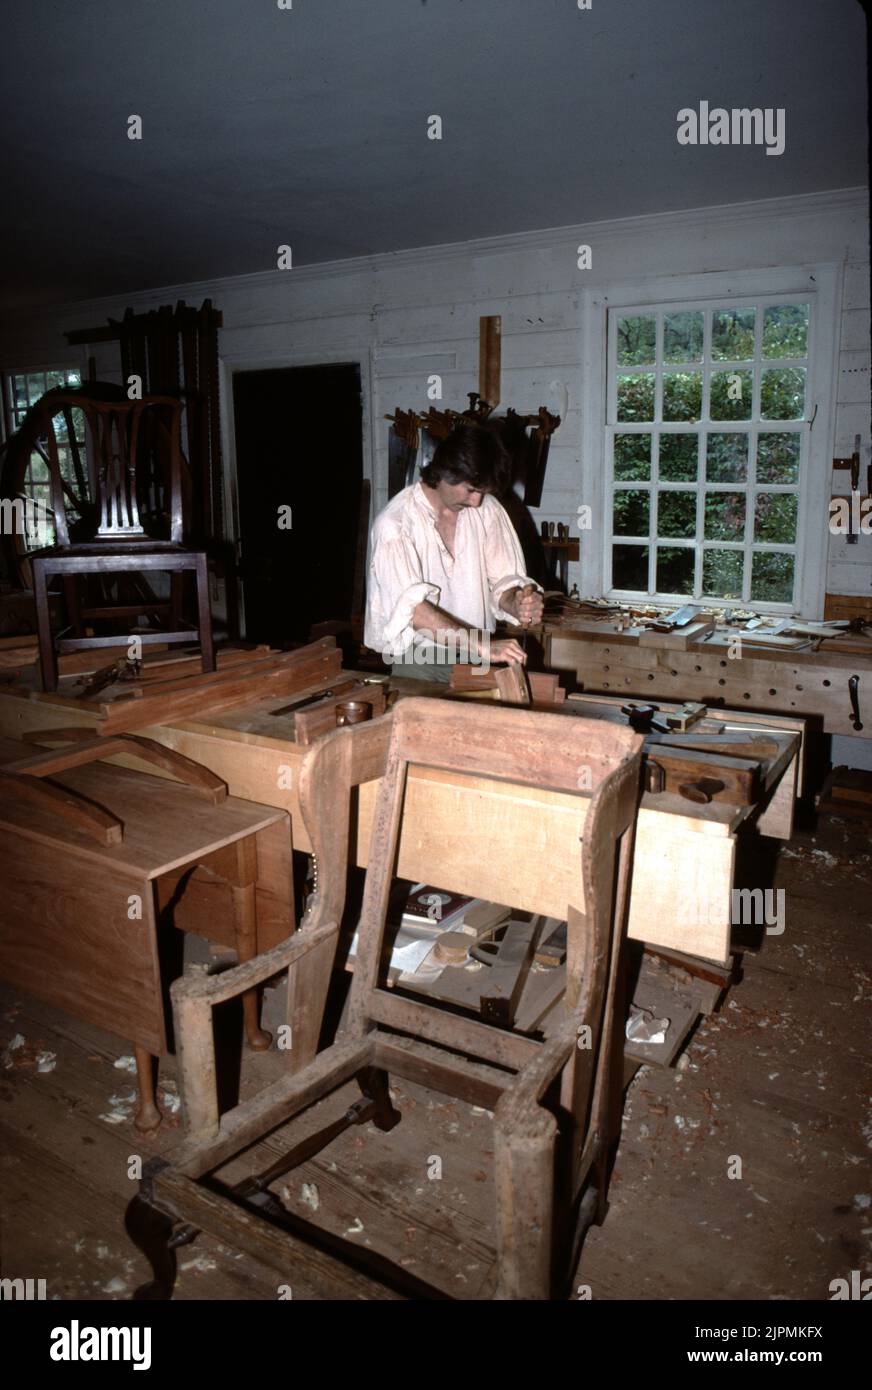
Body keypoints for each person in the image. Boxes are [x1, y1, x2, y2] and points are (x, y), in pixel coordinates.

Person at [365, 424, 544, 681]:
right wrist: (482, 646)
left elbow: (503, 581)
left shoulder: (487, 511)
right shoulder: (395, 525)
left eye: (483, 492)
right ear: (445, 473)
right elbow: (413, 611)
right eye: (471, 490)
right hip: (420, 659)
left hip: (477, 657)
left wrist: (515, 601)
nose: (477, 502)